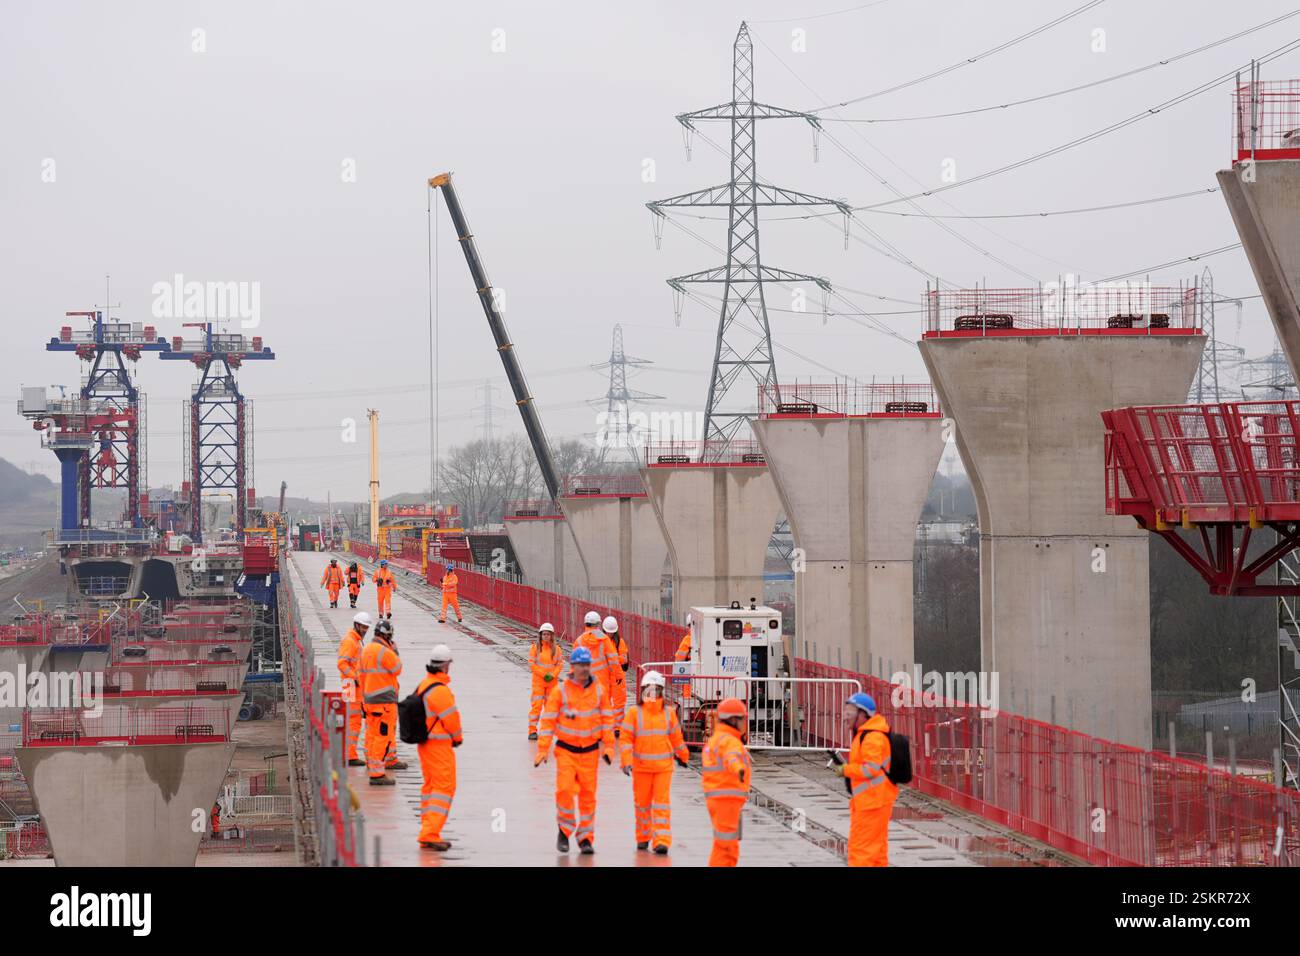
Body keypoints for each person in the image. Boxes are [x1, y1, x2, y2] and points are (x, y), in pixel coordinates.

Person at [535, 646, 616, 855]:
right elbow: (548, 721)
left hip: (589, 753)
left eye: (587, 665)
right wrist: (542, 749)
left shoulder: (599, 691)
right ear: (572, 667)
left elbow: (608, 721)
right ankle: (564, 830)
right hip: (566, 751)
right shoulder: (561, 691)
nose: (583, 669)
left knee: (588, 797)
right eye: (580, 665)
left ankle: (585, 838)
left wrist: (609, 747)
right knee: (565, 790)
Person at [619, 670, 689, 854]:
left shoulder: (668, 713)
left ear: (661, 691)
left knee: (661, 804)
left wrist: (683, 756)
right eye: (648, 689)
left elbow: (676, 738)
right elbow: (625, 739)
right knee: (642, 805)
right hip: (641, 769)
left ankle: (662, 841)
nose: (651, 692)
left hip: (663, 768)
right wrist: (626, 761)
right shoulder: (634, 713)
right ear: (643, 690)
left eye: (655, 689)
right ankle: (643, 837)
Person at [831, 692, 898, 867]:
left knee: (861, 851)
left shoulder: (872, 737)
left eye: (851, 712)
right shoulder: (868, 734)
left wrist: (845, 769)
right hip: (873, 800)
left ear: (863, 715)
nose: (846, 716)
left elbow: (871, 769)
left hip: (872, 803)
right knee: (877, 852)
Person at [415, 644, 463, 851]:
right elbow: (452, 720)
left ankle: (427, 829)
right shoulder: (440, 691)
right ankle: (431, 833)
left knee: (430, 786)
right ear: (445, 666)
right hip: (439, 746)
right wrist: (458, 738)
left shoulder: (424, 684)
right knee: (444, 787)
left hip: (425, 744)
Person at [702, 697, 752, 867]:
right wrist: (739, 769)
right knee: (727, 848)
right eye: (742, 719)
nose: (744, 723)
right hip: (726, 799)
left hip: (720, 799)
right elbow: (732, 758)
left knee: (722, 846)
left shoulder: (717, 739)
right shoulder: (729, 741)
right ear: (733, 720)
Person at [359, 618, 407, 784]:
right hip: (384, 702)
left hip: (369, 700)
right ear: (388, 635)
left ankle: (371, 762)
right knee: (382, 737)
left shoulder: (366, 650)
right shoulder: (385, 652)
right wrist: (394, 651)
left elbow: (361, 675)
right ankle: (377, 774)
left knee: (372, 734)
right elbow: (397, 669)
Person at [574, 611, 619, 732]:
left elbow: (574, 663)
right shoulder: (604, 640)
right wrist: (618, 675)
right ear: (598, 624)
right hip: (602, 680)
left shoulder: (579, 641)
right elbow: (613, 660)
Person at [338, 611, 373, 766]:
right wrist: (355, 677)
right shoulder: (350, 641)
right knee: (353, 721)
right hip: (350, 685)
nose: (365, 630)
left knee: (354, 720)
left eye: (367, 627)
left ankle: (349, 753)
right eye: (363, 627)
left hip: (351, 684)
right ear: (357, 625)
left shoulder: (355, 640)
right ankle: (349, 755)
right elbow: (342, 664)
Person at [527, 623, 563, 740]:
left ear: (551, 636)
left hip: (552, 684)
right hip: (538, 683)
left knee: (550, 708)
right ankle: (532, 731)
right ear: (541, 635)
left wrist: (552, 675)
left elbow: (559, 664)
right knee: (536, 707)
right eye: (544, 634)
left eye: (548, 634)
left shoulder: (556, 650)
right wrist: (544, 674)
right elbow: (531, 664)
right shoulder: (535, 648)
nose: (546, 636)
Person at [601, 615, 629, 719]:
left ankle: (617, 727)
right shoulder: (601, 641)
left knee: (619, 703)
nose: (610, 634)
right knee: (604, 702)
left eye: (611, 632)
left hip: (618, 676)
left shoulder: (619, 642)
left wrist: (612, 659)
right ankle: (606, 724)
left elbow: (624, 659)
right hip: (605, 676)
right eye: (608, 632)